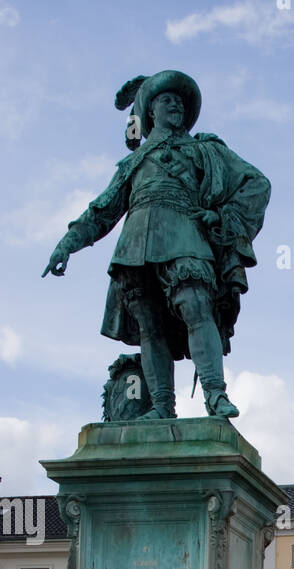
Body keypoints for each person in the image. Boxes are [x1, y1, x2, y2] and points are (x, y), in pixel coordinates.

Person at [42, 70, 270, 421]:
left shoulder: (204, 150)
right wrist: (67, 244)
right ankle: (162, 407)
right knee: (150, 326)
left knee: (195, 304)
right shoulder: (134, 161)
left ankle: (215, 395)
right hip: (135, 245)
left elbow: (257, 183)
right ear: (151, 111)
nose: (175, 104)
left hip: (185, 234)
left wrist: (223, 216)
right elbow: (102, 209)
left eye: (179, 100)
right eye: (167, 99)